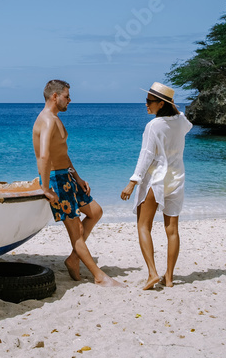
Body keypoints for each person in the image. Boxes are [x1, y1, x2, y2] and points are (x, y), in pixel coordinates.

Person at [33, 79, 122, 287]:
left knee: (95, 212)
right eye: (66, 96)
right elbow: (44, 156)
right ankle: (99, 276)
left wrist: (77, 177)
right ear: (55, 96)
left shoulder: (54, 118)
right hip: (56, 180)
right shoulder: (47, 120)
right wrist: (45, 187)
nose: (69, 100)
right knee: (77, 232)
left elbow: (62, 153)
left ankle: (74, 258)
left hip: (67, 177)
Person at [121, 82, 192, 289]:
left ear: (161, 104)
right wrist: (172, 104)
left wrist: (132, 182)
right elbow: (187, 122)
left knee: (143, 226)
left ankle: (152, 273)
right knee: (172, 230)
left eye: (149, 101)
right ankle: (169, 278)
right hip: (176, 178)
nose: (146, 105)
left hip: (157, 179)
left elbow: (146, 155)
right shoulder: (180, 122)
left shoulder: (153, 126)